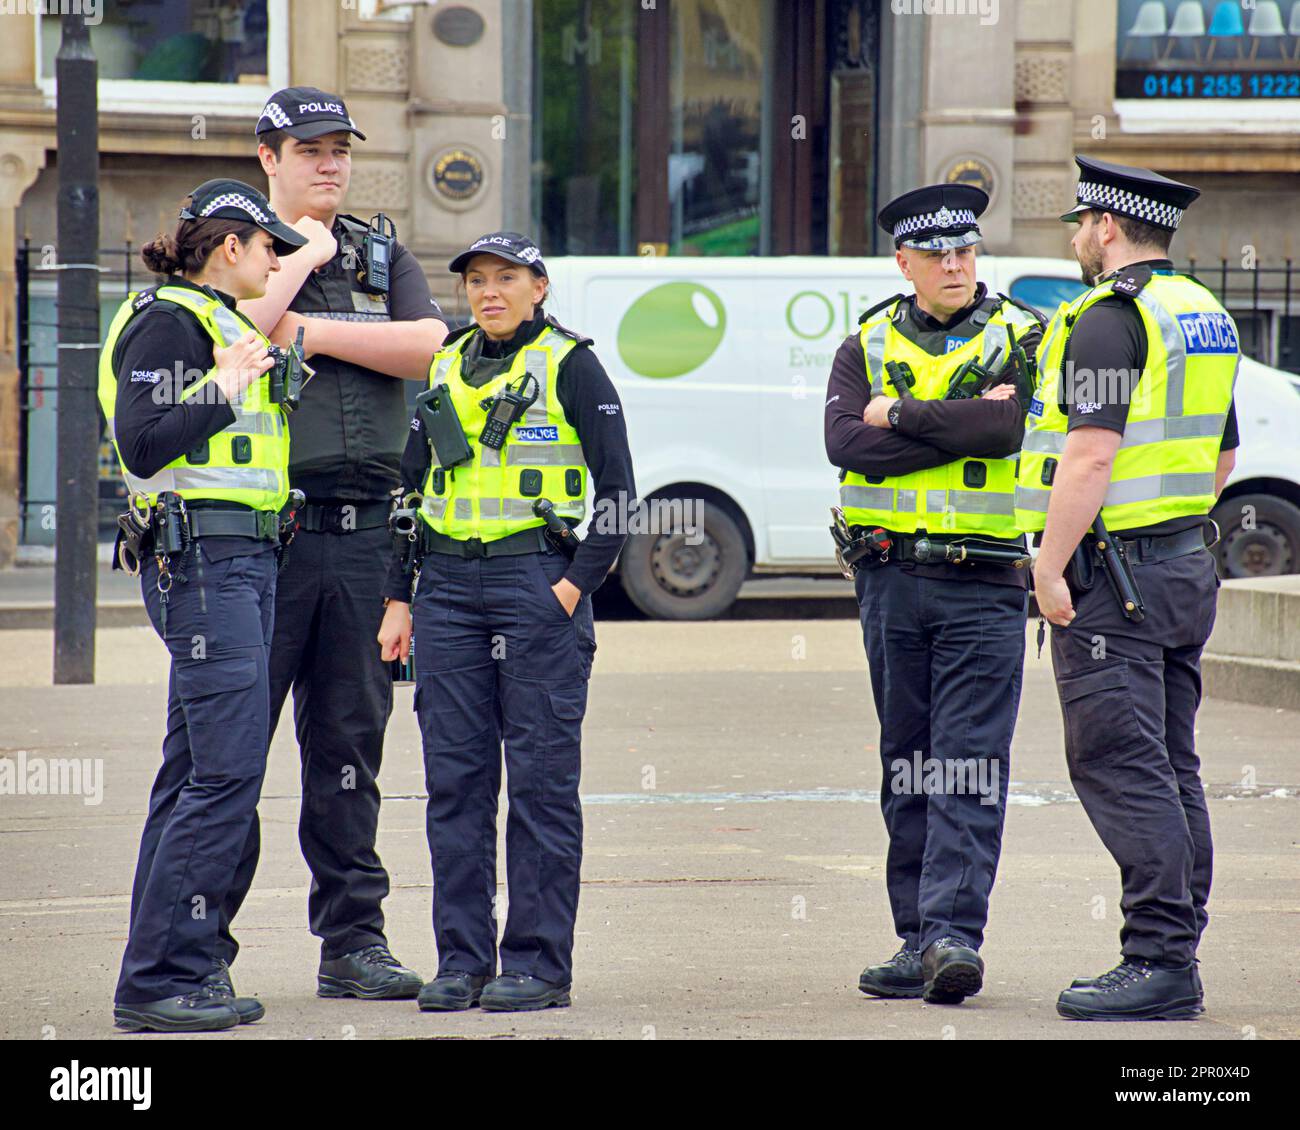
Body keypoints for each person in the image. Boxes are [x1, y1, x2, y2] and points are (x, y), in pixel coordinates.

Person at [221, 87, 448, 1001]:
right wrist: (298, 264)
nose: (329, 163)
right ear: (267, 156)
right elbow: (236, 331)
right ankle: (201, 951)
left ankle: (353, 944)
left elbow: (432, 345)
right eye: (308, 149)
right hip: (264, 540)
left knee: (351, 753)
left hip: (362, 538)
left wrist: (309, 329)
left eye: (339, 149)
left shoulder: (381, 249)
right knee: (229, 754)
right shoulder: (236, 248)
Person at [377, 232, 636, 1012]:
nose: (490, 291)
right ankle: (461, 960)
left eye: (507, 278)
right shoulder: (447, 361)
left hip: (535, 582)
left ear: (539, 287)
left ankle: (538, 966)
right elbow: (409, 491)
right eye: (478, 280)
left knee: (540, 787)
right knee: (454, 785)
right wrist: (399, 596)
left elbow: (620, 492)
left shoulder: (572, 364)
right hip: (447, 589)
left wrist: (569, 589)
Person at [1018, 156, 1240, 1021]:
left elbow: (1092, 455)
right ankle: (1176, 944)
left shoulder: (1111, 320)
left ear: (1106, 228)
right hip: (1184, 564)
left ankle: (1158, 959)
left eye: (1080, 223)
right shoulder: (1204, 314)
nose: (1077, 238)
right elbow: (1222, 457)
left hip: (1115, 578)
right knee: (1171, 763)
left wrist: (1049, 562)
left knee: (1118, 760)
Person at [824, 184, 1045, 1006]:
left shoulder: (1026, 335)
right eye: (937, 254)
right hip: (889, 581)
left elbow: (1010, 430)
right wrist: (954, 421)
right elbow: (846, 445)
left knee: (967, 765)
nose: (954, 264)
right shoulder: (867, 341)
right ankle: (916, 938)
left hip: (985, 582)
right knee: (907, 765)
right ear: (903, 262)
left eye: (966, 250)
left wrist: (903, 416)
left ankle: (954, 936)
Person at [103, 180, 308, 1031]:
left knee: (194, 773)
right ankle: (160, 979)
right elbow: (143, 444)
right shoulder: (169, 322)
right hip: (204, 566)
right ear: (231, 247)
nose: (276, 263)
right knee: (226, 773)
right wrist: (220, 388)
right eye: (271, 248)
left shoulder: (219, 322)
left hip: (241, 560)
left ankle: (178, 964)